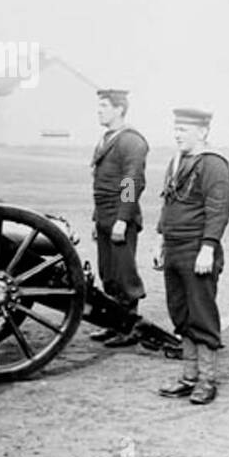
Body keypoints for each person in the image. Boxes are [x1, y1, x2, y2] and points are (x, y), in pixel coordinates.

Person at [156, 108, 229, 405]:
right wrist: (159, 238)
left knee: (201, 312)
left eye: (183, 130)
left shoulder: (212, 164)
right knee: (180, 311)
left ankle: (206, 379)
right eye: (175, 129)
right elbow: (167, 202)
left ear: (202, 132)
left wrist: (125, 213)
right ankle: (189, 375)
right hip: (173, 245)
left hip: (196, 247)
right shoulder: (175, 161)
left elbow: (218, 209)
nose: (177, 134)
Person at [90, 88, 149, 347]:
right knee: (108, 272)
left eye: (104, 106)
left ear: (119, 109)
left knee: (124, 273)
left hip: (119, 216)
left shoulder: (131, 141)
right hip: (104, 215)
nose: (99, 110)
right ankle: (115, 322)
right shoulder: (106, 139)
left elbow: (130, 181)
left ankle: (130, 327)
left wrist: (123, 219)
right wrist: (97, 219)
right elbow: (99, 183)